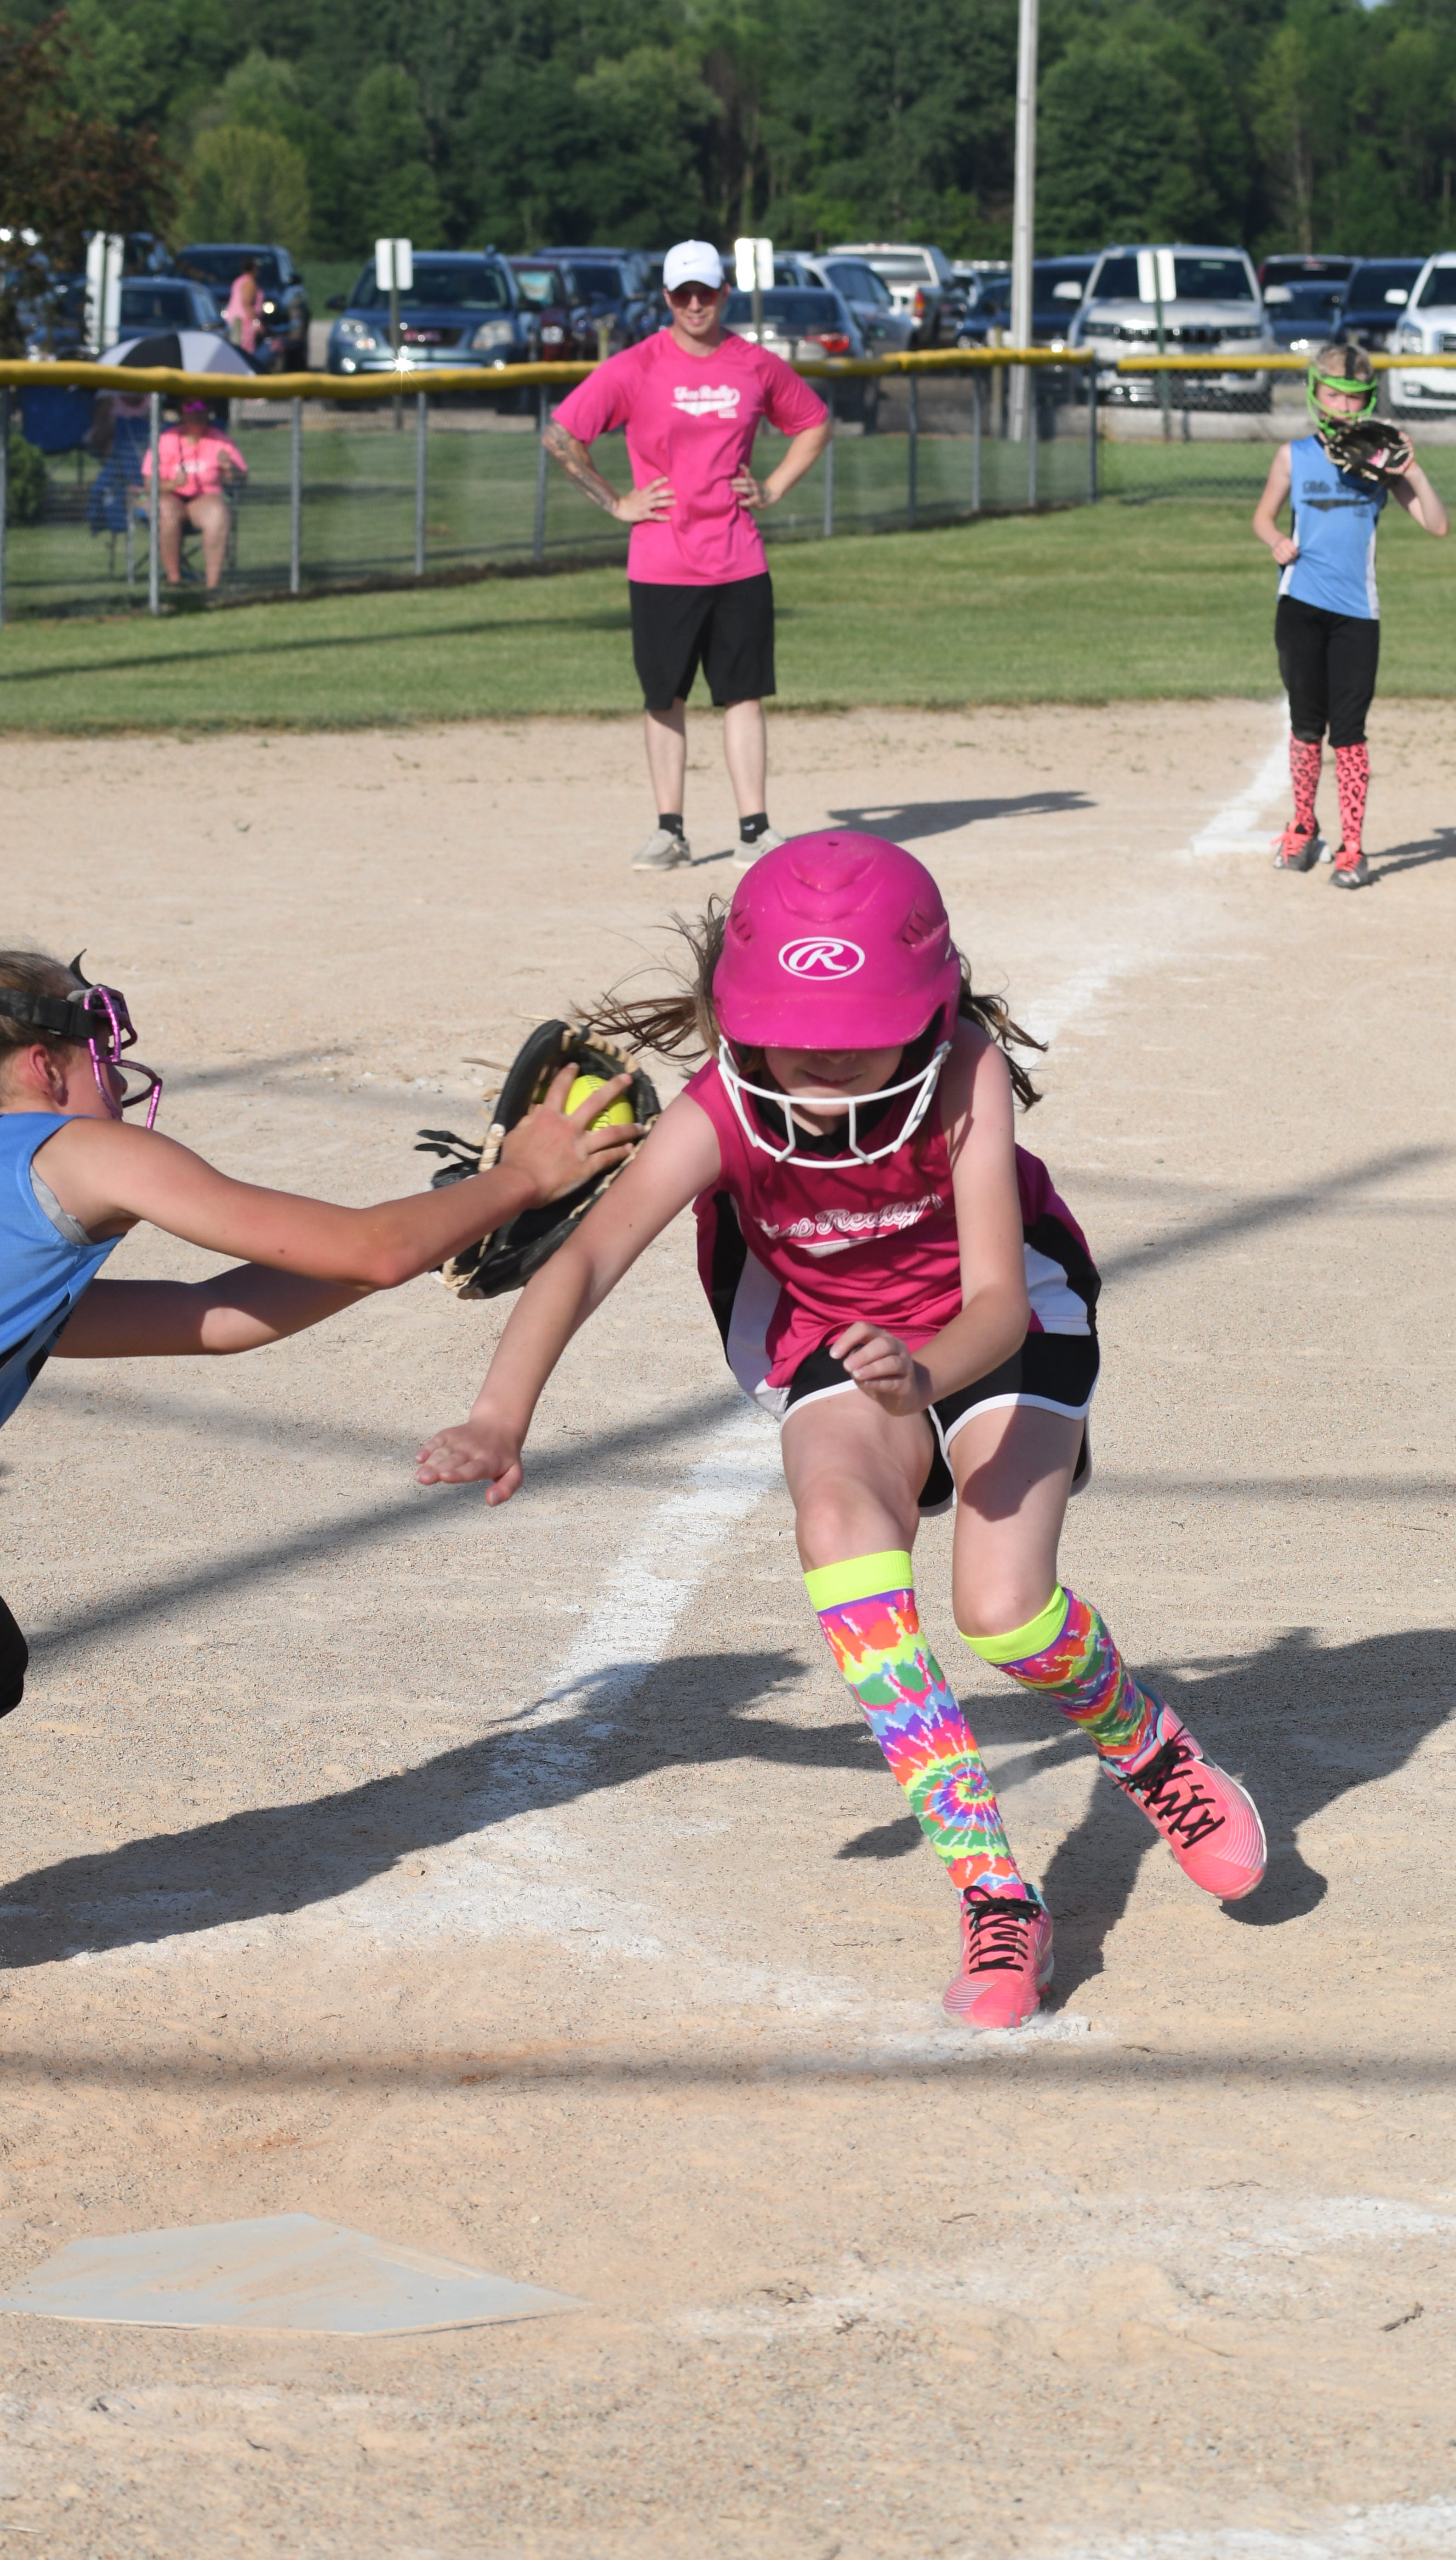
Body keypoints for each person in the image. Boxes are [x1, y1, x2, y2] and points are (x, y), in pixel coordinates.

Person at [416, 834, 1267, 2031]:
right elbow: (594, 1251)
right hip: (834, 1342)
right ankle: (994, 1896)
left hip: (992, 1329)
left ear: (929, 1011)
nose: (820, 1072)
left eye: (854, 1041)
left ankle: (1152, 1753)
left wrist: (922, 1379)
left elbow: (995, 1304)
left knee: (1005, 1613)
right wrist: (500, 1415)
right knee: (842, 1545)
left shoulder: (963, 1070)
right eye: (793, 1045)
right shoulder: (724, 1110)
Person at [0, 951, 636, 1722]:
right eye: (100, 1051)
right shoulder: (75, 1151)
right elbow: (370, 1248)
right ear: (45, 1066)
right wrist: (523, 1179)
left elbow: (215, 1314)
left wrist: (461, 1219)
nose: (118, 1073)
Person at [543, 239, 831, 876]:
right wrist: (617, 503)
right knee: (664, 697)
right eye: (683, 294)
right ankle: (669, 831)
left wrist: (775, 487)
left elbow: (813, 422)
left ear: (725, 293)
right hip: (661, 561)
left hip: (738, 557)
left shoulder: (754, 365)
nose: (695, 303)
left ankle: (754, 829)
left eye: (706, 291)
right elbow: (561, 434)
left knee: (744, 694)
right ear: (667, 299)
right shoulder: (637, 367)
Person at [1253, 343, 1449, 889]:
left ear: (1368, 400)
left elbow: (1436, 525)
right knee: (1306, 725)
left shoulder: (1380, 461)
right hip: (1300, 606)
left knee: (1351, 734)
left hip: (1356, 614)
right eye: (1333, 392)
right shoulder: (1294, 455)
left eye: (1354, 396)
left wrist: (1413, 469)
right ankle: (1301, 825)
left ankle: (1353, 847)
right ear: (1315, 392)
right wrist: (1275, 541)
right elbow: (1263, 517)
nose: (1342, 404)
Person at [141, 401, 248, 592]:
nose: (196, 412)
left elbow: (242, 479)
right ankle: (175, 580)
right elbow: (150, 486)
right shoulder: (165, 440)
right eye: (190, 406)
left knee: (218, 514)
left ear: (209, 411)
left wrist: (230, 469)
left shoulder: (221, 441)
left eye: (201, 406)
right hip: (170, 497)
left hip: (204, 499)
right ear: (181, 412)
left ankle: (212, 586)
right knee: (167, 512)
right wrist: (173, 484)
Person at [223, 257, 262, 359]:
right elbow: (247, 304)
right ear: (254, 269)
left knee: (235, 351)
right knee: (245, 353)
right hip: (243, 322)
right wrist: (257, 323)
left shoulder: (239, 281)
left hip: (234, 320)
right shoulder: (250, 283)